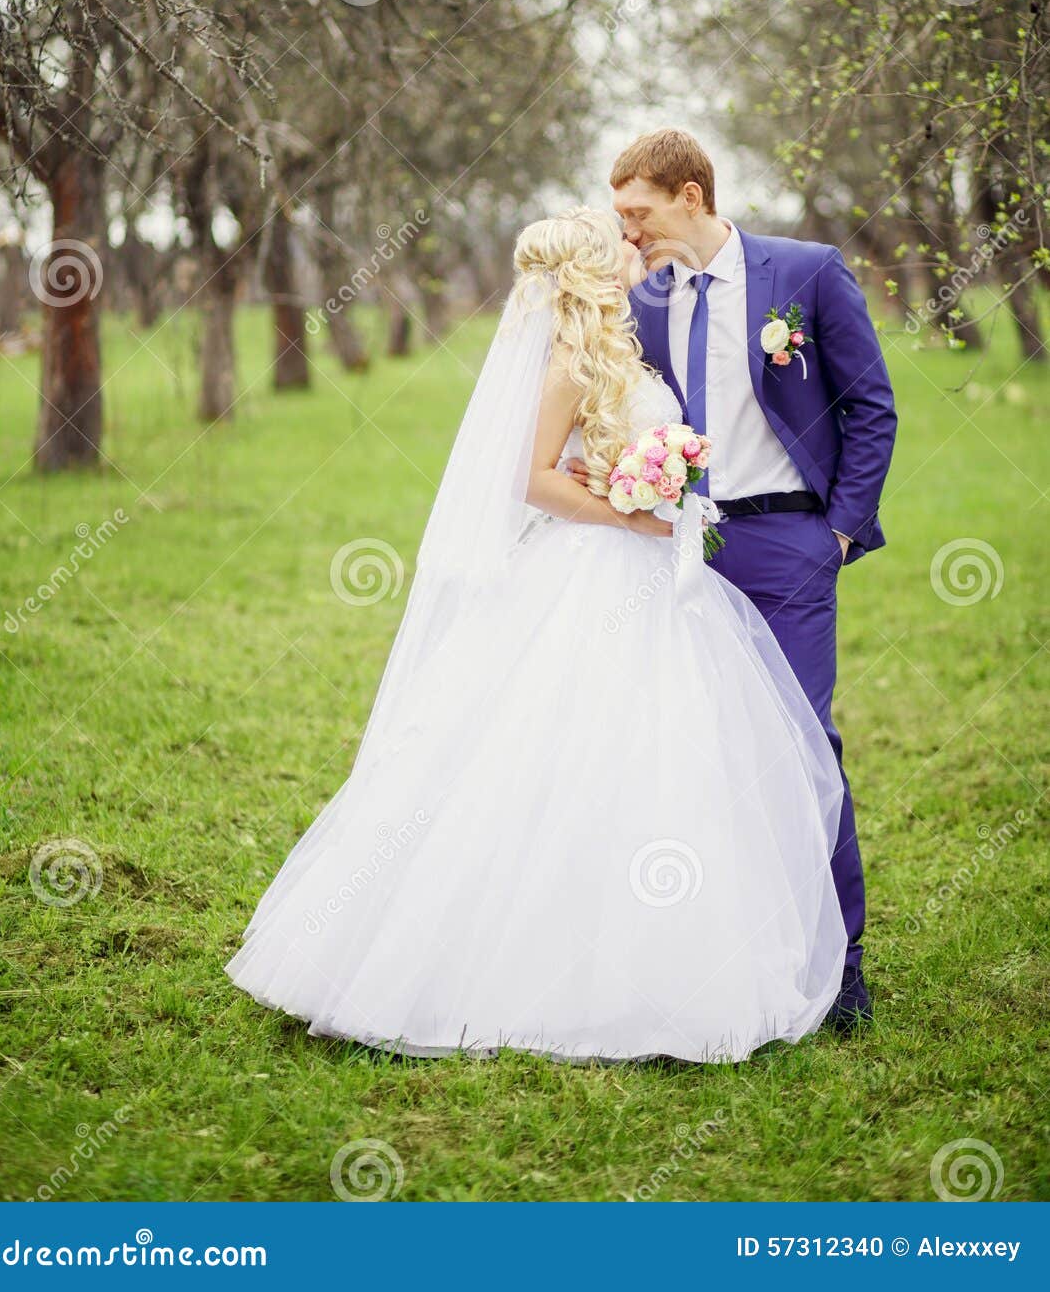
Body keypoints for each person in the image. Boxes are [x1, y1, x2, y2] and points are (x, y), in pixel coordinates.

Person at [227, 209, 847, 1063]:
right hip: (592, 571)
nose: (639, 249)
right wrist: (628, 515)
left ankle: (663, 957)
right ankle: (517, 971)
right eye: (623, 243)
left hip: (652, 575)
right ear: (594, 268)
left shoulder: (623, 347)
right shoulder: (566, 360)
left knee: (661, 757)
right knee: (556, 748)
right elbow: (528, 480)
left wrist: (658, 492)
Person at [594, 129, 898, 1030]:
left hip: (789, 544)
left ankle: (840, 964)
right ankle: (732, 954)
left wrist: (838, 532)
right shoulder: (644, 300)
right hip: (679, 551)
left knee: (801, 745)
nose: (630, 231)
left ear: (691, 195)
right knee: (695, 750)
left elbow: (870, 404)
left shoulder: (803, 273)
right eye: (619, 217)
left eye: (638, 212)